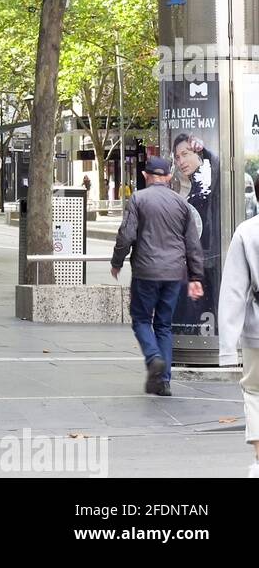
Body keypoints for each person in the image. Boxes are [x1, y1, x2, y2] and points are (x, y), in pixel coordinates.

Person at [111, 156, 204, 396]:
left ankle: (153, 358)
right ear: (169, 177)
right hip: (174, 274)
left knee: (141, 319)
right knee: (163, 325)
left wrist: (117, 262)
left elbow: (126, 235)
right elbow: (192, 243)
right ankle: (163, 382)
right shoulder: (181, 203)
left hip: (146, 272)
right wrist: (195, 276)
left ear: (145, 176)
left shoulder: (139, 199)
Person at [219, 215, 259, 477]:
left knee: (256, 393)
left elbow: (233, 289)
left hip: (257, 331)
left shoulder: (248, 231)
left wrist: (227, 348)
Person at [172, 134, 222, 334]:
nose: (181, 161)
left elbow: (218, 167)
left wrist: (206, 151)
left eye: (185, 154)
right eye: (177, 157)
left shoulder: (207, 181)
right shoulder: (193, 186)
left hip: (207, 261)